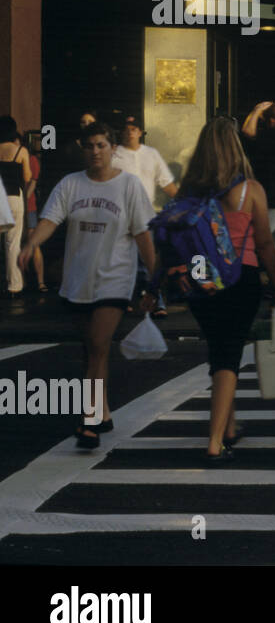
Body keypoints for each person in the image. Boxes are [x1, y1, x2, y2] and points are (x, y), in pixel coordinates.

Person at [19, 123, 155, 449]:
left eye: (101, 145)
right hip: (77, 280)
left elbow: (143, 237)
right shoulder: (71, 184)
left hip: (115, 280)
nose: (95, 151)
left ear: (112, 148)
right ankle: (103, 412)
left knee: (97, 343)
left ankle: (89, 421)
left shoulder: (129, 186)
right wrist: (30, 244)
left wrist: (155, 281)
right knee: (91, 350)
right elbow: (51, 219)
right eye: (90, 146)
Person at [155, 118, 275, 463]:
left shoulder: (188, 191)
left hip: (202, 279)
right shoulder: (249, 190)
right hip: (241, 278)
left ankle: (229, 426)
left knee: (220, 349)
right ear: (235, 148)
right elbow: (265, 242)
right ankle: (214, 441)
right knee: (229, 354)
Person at [113, 115, 178, 317]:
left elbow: (166, 182)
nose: (130, 132)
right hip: (120, 215)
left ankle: (157, 301)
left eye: (134, 128)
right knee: (124, 261)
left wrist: (183, 203)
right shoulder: (114, 155)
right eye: (127, 128)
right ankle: (123, 300)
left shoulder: (151, 154)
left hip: (145, 216)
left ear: (140, 132)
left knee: (149, 260)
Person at [240, 101, 275, 267]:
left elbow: (247, 133)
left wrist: (256, 110)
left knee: (255, 240)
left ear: (270, 121)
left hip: (273, 200)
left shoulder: (271, 136)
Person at [0, 116, 31, 297]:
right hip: (13, 198)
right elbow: (27, 177)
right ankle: (14, 286)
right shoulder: (21, 151)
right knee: (12, 243)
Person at [21, 130, 47, 293]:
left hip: (28, 206)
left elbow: (33, 183)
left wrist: (24, 200)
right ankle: (27, 282)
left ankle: (40, 282)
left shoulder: (31, 159)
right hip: (24, 205)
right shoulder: (30, 158)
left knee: (32, 242)